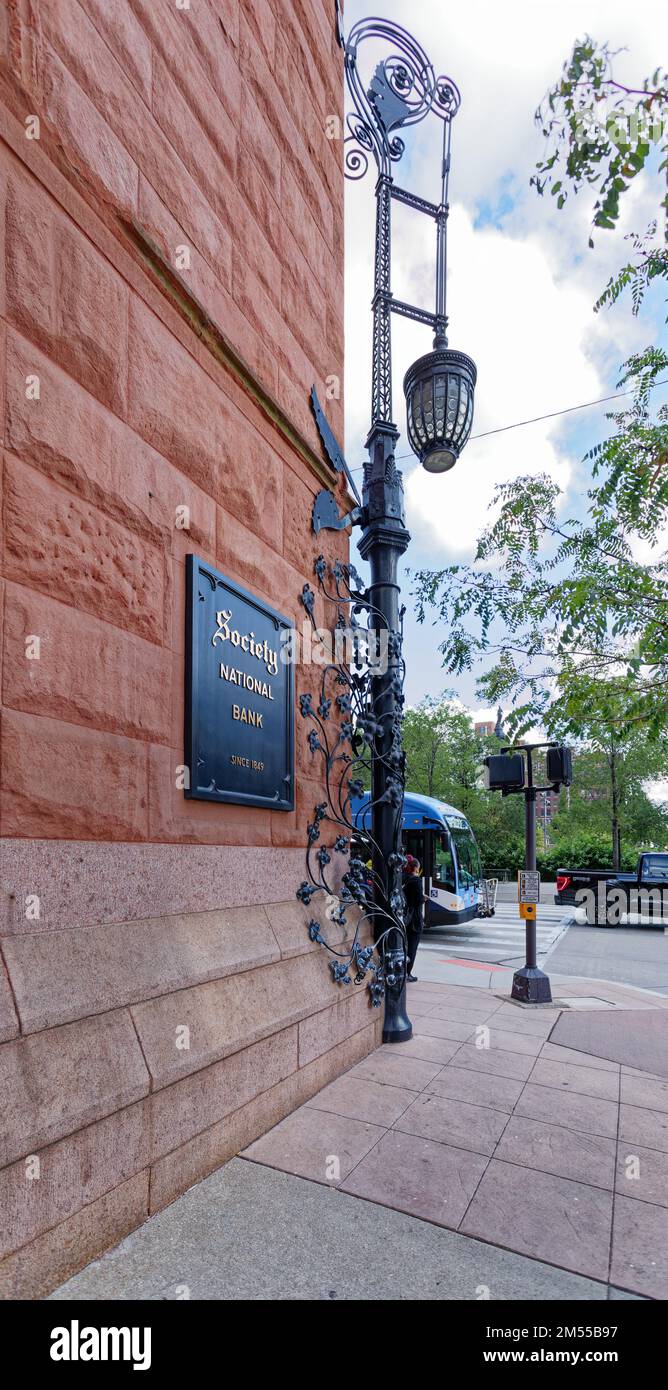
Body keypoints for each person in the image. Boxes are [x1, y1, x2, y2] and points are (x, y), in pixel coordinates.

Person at [402, 855, 425, 983]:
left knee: (404, 945)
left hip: (404, 917)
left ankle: (402, 971)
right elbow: (418, 900)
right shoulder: (416, 881)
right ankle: (407, 973)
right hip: (414, 919)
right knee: (412, 947)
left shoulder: (403, 878)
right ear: (416, 868)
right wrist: (424, 898)